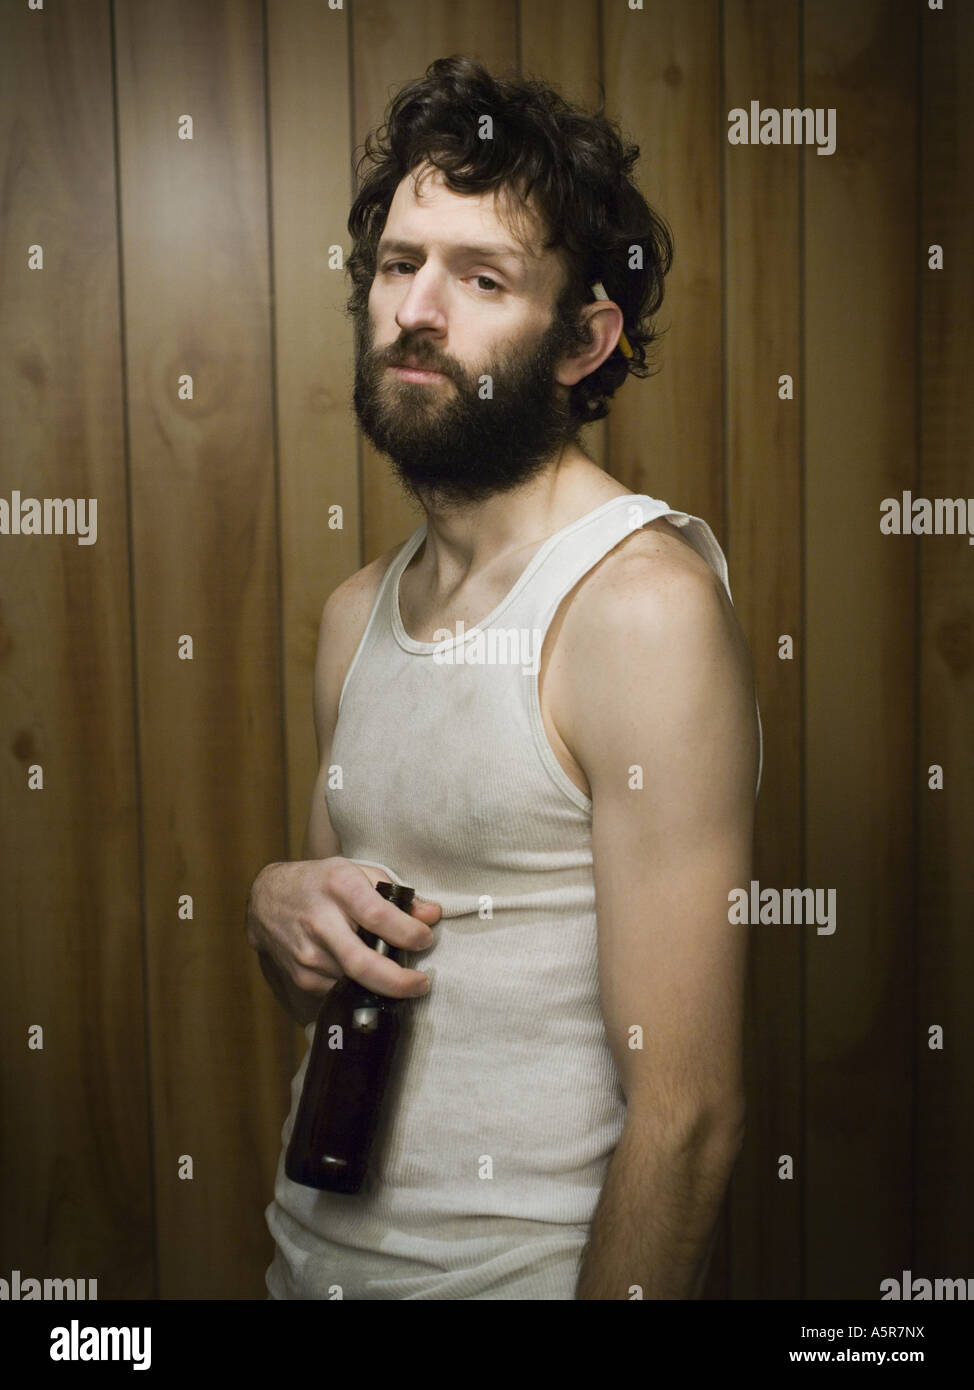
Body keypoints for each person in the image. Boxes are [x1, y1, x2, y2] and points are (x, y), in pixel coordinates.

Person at [246, 54, 763, 1300]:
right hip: (305, 1265)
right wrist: (276, 910)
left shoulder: (639, 608)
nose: (416, 310)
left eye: (481, 278)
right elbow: (323, 969)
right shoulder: (352, 616)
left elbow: (686, 1120)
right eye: (397, 264)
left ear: (585, 338)